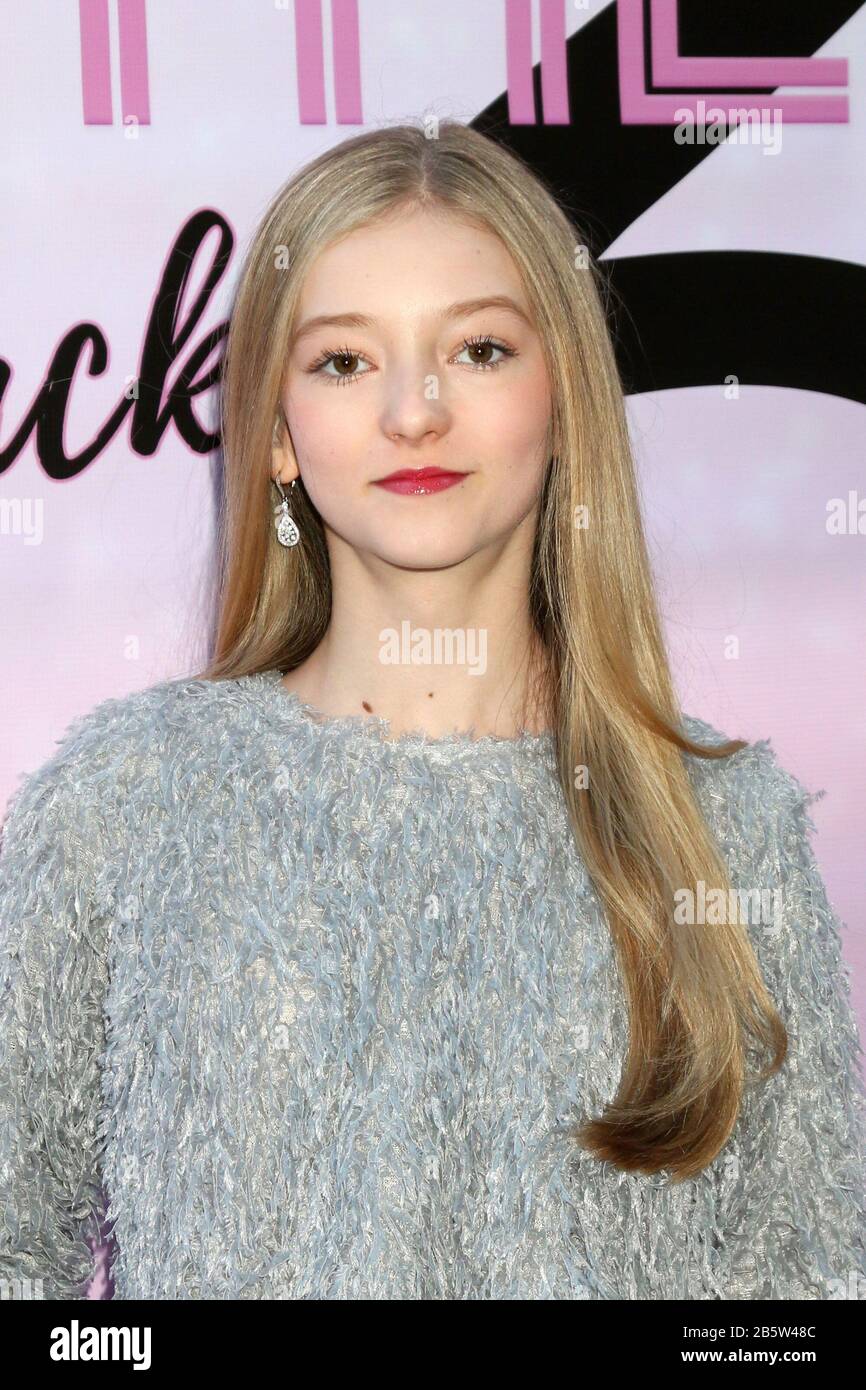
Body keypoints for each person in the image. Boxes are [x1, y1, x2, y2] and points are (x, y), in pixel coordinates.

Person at [1, 121, 864, 1301]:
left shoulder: (725, 826)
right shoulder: (126, 803)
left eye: (478, 348)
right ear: (277, 434)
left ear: (564, 399)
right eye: (343, 361)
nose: (413, 411)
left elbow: (807, 1290)